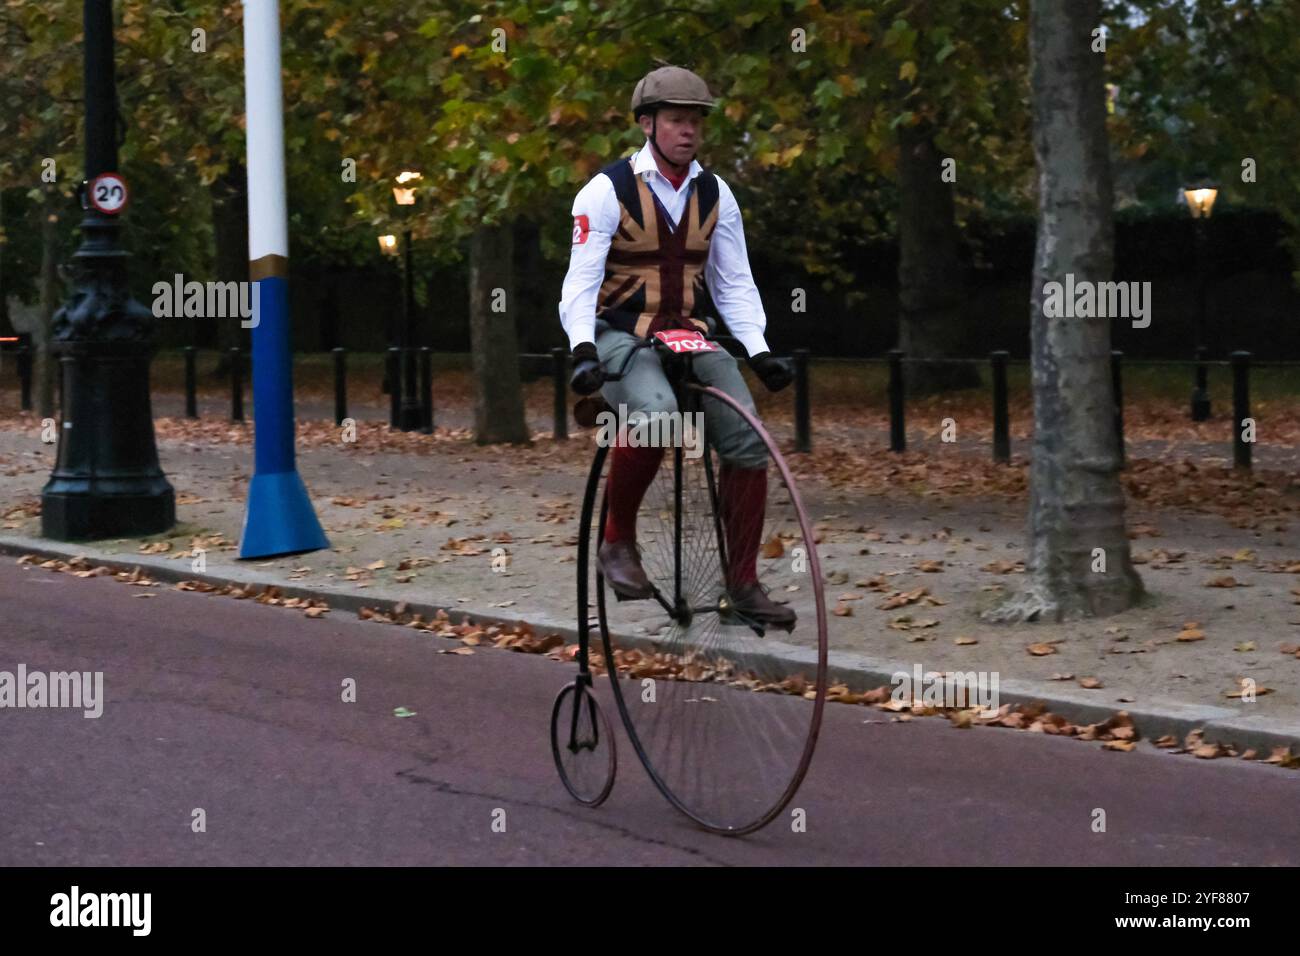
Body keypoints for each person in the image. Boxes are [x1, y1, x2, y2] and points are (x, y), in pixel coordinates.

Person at [557, 65, 794, 627]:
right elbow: (580, 283)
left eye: (695, 122)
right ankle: (617, 542)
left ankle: (742, 584)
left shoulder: (717, 194)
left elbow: (734, 281)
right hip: (620, 332)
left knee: (748, 439)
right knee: (659, 417)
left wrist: (757, 351)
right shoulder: (606, 191)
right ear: (647, 123)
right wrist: (583, 349)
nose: (688, 131)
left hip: (688, 333)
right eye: (676, 120)